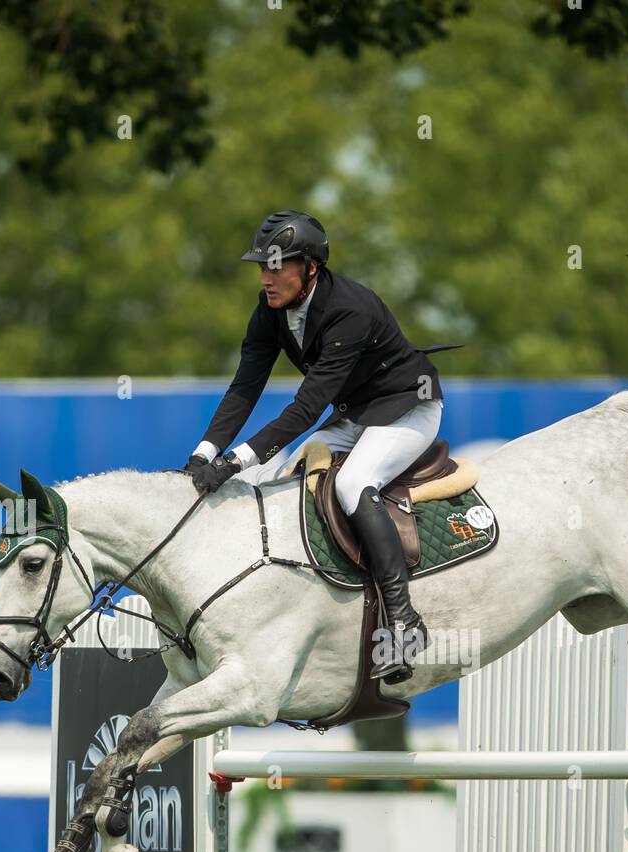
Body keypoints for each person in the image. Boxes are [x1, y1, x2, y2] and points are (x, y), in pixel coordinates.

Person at [184, 211, 447, 683]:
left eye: (277, 266)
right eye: (262, 267)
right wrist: (204, 453)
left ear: (311, 267)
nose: (266, 278)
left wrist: (234, 462)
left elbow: (305, 409)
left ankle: (405, 621)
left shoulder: (351, 310)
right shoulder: (270, 309)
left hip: (409, 407)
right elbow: (245, 387)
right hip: (356, 414)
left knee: (352, 485)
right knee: (283, 476)